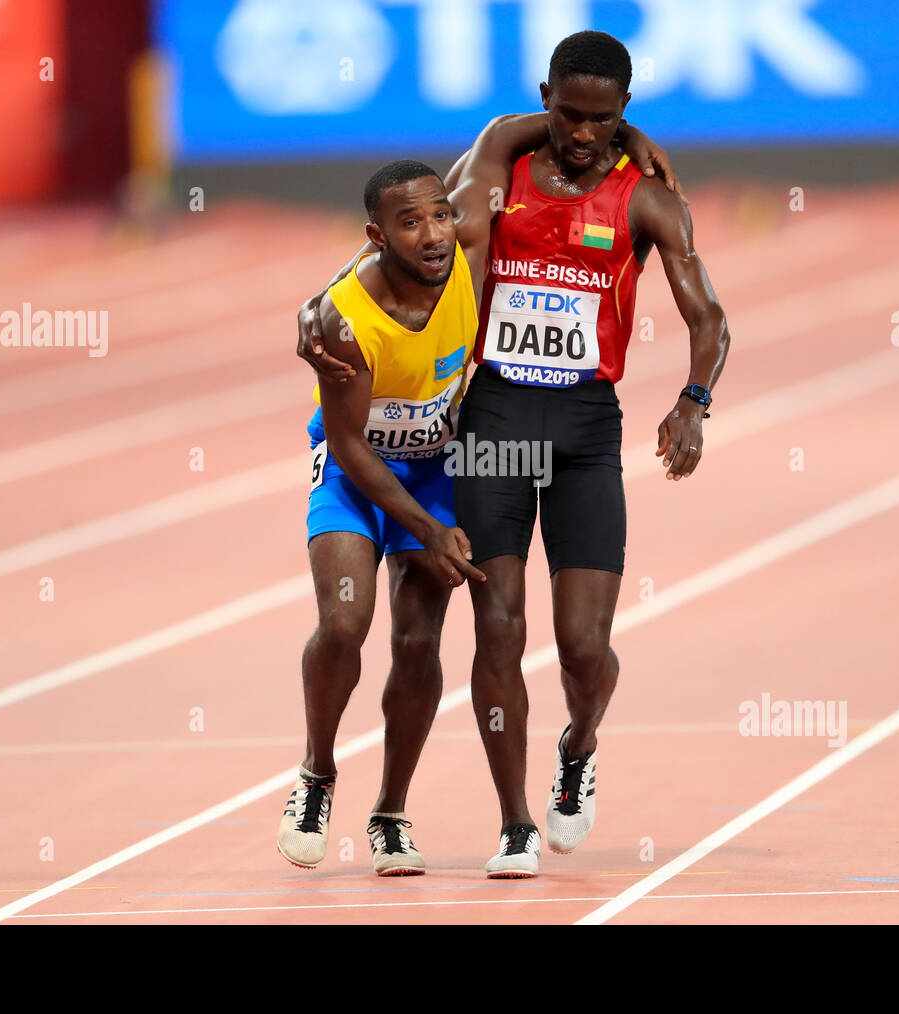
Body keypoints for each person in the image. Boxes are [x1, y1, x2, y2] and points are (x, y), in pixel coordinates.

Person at [282, 112, 679, 877]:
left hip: (439, 467)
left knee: (416, 641)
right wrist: (428, 532)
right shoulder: (340, 323)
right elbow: (352, 447)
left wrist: (626, 133)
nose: (432, 233)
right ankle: (316, 772)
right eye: (409, 223)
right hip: (357, 471)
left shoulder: (468, 249)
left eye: (439, 215)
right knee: (343, 621)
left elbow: (503, 137)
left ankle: (391, 813)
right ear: (375, 237)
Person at [449, 30, 731, 877]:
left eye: (602, 121)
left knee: (581, 646)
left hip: (582, 428)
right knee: (497, 626)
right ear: (544, 97)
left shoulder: (646, 200)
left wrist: (693, 399)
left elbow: (709, 318)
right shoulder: (503, 158)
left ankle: (579, 745)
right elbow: (496, 144)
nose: (580, 134)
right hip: (493, 416)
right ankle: (511, 822)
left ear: (624, 114)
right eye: (567, 114)